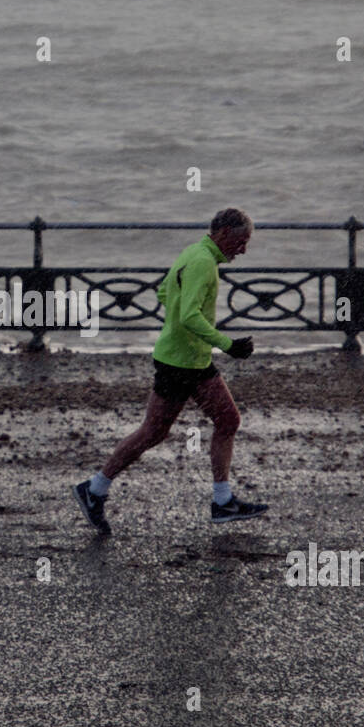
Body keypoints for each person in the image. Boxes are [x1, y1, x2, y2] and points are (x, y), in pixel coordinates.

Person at [73, 208, 269, 536]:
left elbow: (164, 293)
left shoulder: (192, 251)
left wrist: (183, 332)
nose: (244, 249)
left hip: (188, 358)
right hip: (180, 362)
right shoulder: (204, 262)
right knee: (153, 432)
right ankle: (94, 489)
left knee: (226, 421)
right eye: (242, 241)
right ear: (223, 234)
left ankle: (222, 501)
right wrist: (228, 344)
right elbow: (190, 316)